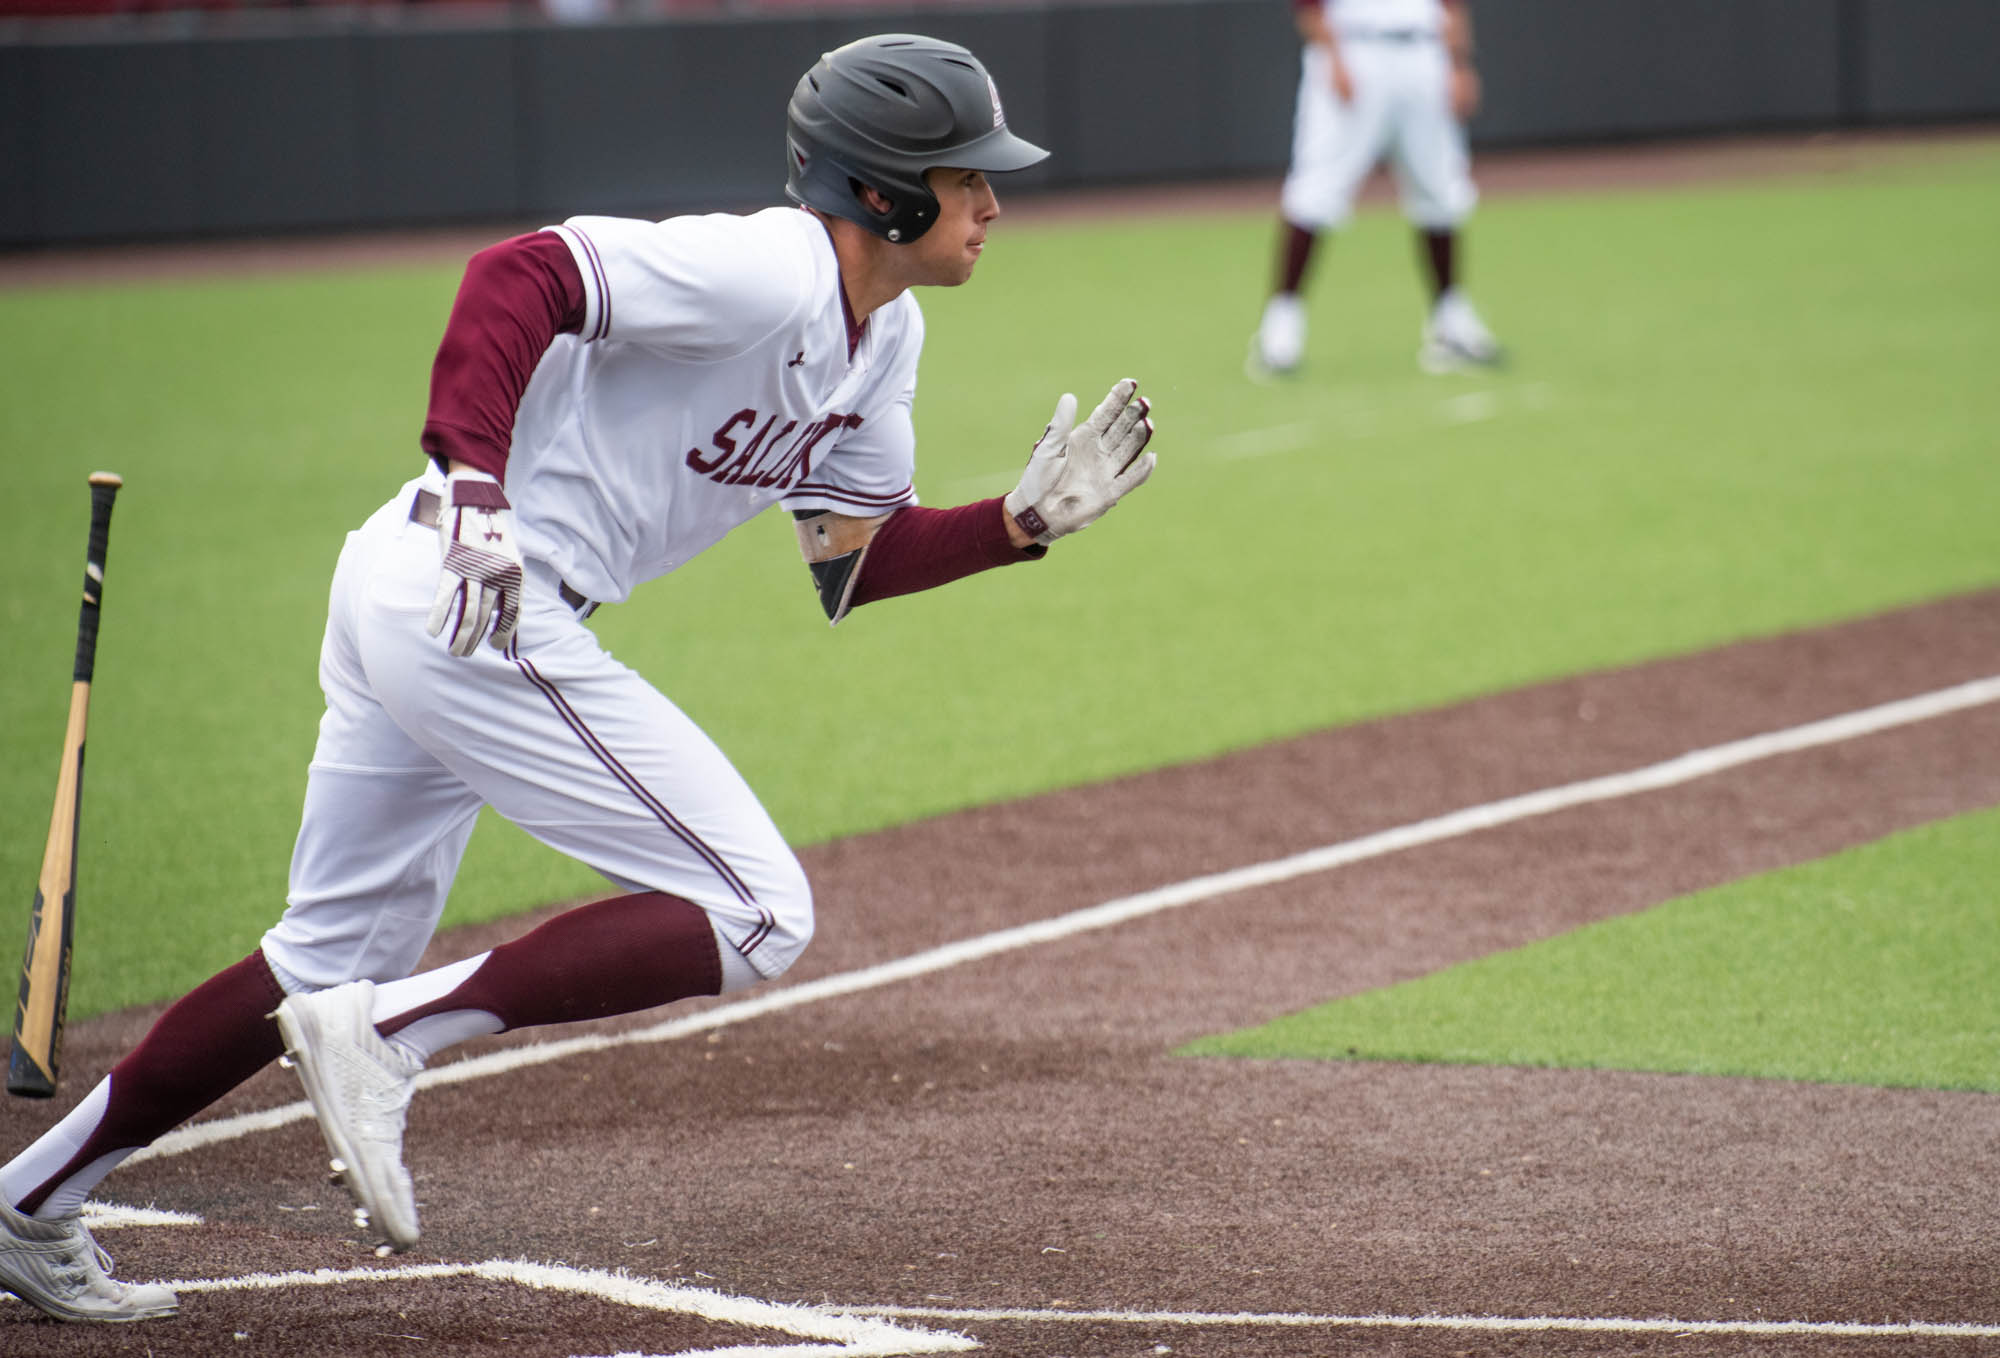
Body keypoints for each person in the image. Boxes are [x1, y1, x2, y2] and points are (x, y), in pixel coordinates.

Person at [0, 33, 1156, 1324]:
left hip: (433, 588)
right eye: (967, 177)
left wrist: (1019, 524)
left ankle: (28, 1200)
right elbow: (525, 274)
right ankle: (388, 1034)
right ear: (884, 192)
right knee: (756, 910)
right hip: (474, 585)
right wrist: (480, 484)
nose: (994, 203)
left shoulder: (883, 343)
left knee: (322, 953)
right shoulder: (771, 269)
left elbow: (854, 563)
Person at [1249, 0, 1503, 377]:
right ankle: (1280, 329)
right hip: (1353, 49)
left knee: (1440, 189)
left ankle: (1450, 322)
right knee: (1316, 191)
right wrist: (1333, 57)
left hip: (1424, 53)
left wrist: (1459, 63)